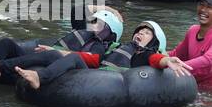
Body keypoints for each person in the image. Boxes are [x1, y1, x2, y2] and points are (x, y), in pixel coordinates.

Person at [11, 20, 166, 90]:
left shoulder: (144, 55)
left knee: (73, 57)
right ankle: (10, 67)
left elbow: (155, 59)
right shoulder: (116, 47)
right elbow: (93, 59)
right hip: (94, 76)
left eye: (146, 33)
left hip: (110, 85)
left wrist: (167, 60)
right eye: (139, 31)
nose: (140, 34)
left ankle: (40, 77)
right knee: (65, 56)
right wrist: (57, 51)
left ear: (154, 42)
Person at [150, 0, 212, 86]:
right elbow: (177, 54)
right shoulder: (192, 30)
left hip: (211, 92)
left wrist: (178, 65)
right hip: (189, 84)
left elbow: (209, 61)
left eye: (209, 7)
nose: (203, 10)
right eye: (201, 5)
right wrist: (156, 56)